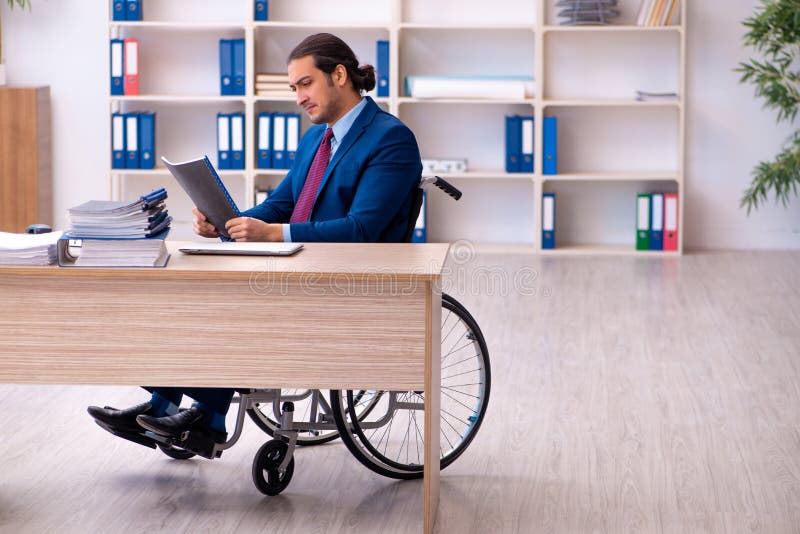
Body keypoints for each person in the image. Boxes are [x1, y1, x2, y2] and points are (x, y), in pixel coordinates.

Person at [88, 33, 422, 450]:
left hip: (347, 280)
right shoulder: (317, 139)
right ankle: (161, 405)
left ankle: (207, 417)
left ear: (339, 75)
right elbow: (282, 204)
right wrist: (229, 221)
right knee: (188, 287)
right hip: (296, 266)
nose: (299, 96)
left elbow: (362, 230)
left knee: (235, 301)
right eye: (293, 87)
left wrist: (272, 234)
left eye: (305, 83)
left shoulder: (391, 138)